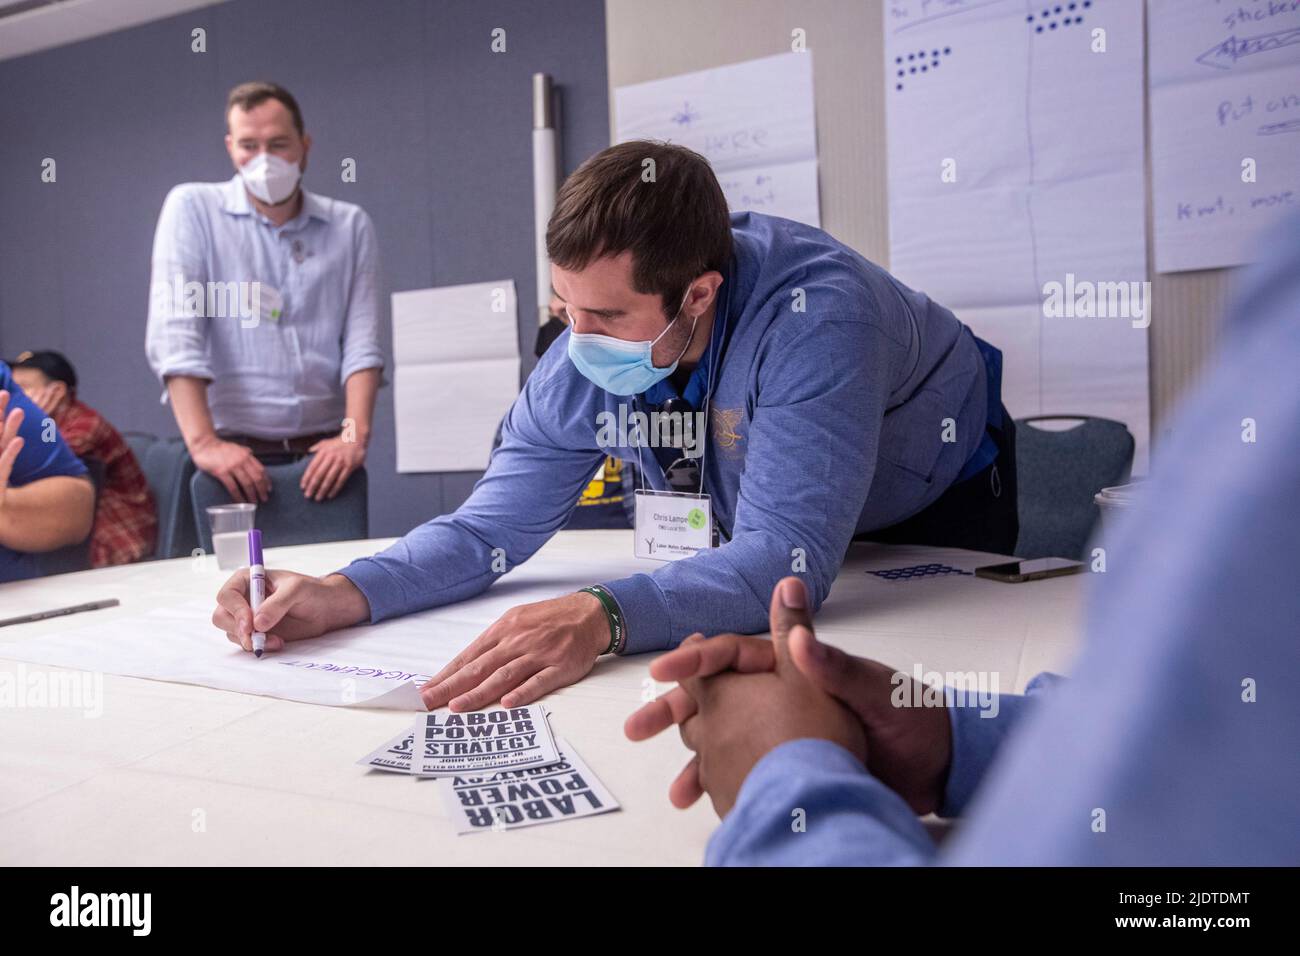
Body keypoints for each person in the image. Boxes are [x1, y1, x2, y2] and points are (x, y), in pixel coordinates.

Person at [211, 141, 1014, 712]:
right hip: (773, 529)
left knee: (924, 694)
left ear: (697, 294)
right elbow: (487, 527)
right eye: (564, 307)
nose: (575, 339)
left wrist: (602, 614)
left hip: (935, 497)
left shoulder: (817, 320)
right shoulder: (577, 359)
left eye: (604, 315)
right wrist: (346, 592)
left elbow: (786, 561)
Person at [623, 212, 1300, 866]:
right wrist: (958, 738)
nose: (579, 337)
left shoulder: (818, 310)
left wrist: (788, 779)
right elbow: (1199, 736)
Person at [146, 81, 383, 505]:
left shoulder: (350, 225)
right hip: (232, 459)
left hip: (326, 457)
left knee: (330, 572)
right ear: (229, 148)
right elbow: (176, 334)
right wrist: (203, 444)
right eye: (248, 145)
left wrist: (353, 436)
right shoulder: (193, 209)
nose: (264, 160)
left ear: (305, 146)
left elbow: (362, 345)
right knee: (235, 574)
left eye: (278, 144)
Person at [9, 350, 157, 567]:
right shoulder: (50, 425)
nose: (15, 399)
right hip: (82, 536)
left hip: (116, 534)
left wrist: (35, 418)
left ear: (57, 391)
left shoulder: (85, 424)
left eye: (21, 390)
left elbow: (44, 461)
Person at [0, 364, 95, 583]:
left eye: (26, 386)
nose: (25, 394)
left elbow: (58, 441)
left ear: (58, 390)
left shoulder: (80, 420)